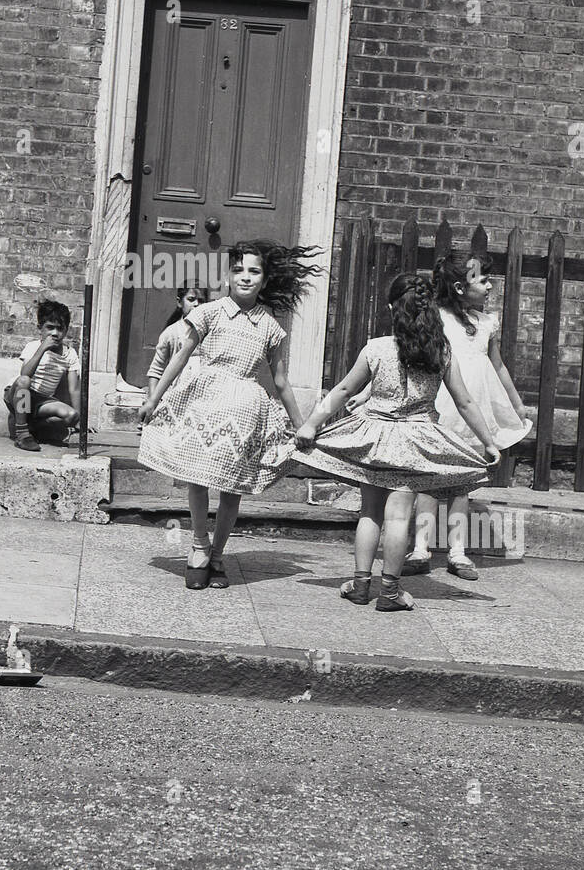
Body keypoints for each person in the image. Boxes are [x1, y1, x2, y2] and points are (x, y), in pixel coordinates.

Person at [292, 273, 498, 613]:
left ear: (391, 309)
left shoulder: (376, 349)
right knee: (400, 517)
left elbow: (342, 390)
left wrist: (312, 424)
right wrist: (487, 442)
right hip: (415, 443)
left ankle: (360, 585)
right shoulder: (440, 351)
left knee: (369, 513)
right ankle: (389, 593)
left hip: (374, 438)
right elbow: (464, 402)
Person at [137, 240, 321, 590]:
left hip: (243, 412)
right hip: (204, 401)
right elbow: (179, 358)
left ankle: (218, 555)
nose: (245, 277)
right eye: (238, 270)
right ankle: (198, 545)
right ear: (227, 276)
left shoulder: (270, 327)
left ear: (265, 281)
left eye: (254, 271)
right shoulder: (209, 312)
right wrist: (154, 398)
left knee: (231, 489)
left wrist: (302, 424)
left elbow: (280, 380)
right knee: (197, 476)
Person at [404, 251, 532, 580]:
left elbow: (497, 366)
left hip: (474, 411)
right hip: (443, 405)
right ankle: (420, 547)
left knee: (462, 485)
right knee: (429, 481)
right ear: (460, 287)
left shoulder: (486, 323)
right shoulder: (435, 318)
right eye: (483, 280)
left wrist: (515, 403)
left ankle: (457, 552)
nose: (490, 286)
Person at [4, 299, 81, 452]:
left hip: (42, 402)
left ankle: (31, 425)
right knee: (24, 381)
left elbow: (74, 389)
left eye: (60, 329)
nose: (55, 333)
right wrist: (42, 349)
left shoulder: (70, 354)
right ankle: (22, 434)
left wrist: (80, 422)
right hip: (20, 394)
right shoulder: (33, 346)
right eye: (50, 327)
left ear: (66, 330)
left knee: (72, 416)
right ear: (40, 328)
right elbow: (24, 374)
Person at [146, 285, 210, 400]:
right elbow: (156, 370)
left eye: (201, 301)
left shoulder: (210, 332)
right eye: (191, 300)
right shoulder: (171, 333)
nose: (196, 304)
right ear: (180, 302)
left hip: (203, 397)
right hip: (177, 396)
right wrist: (152, 401)